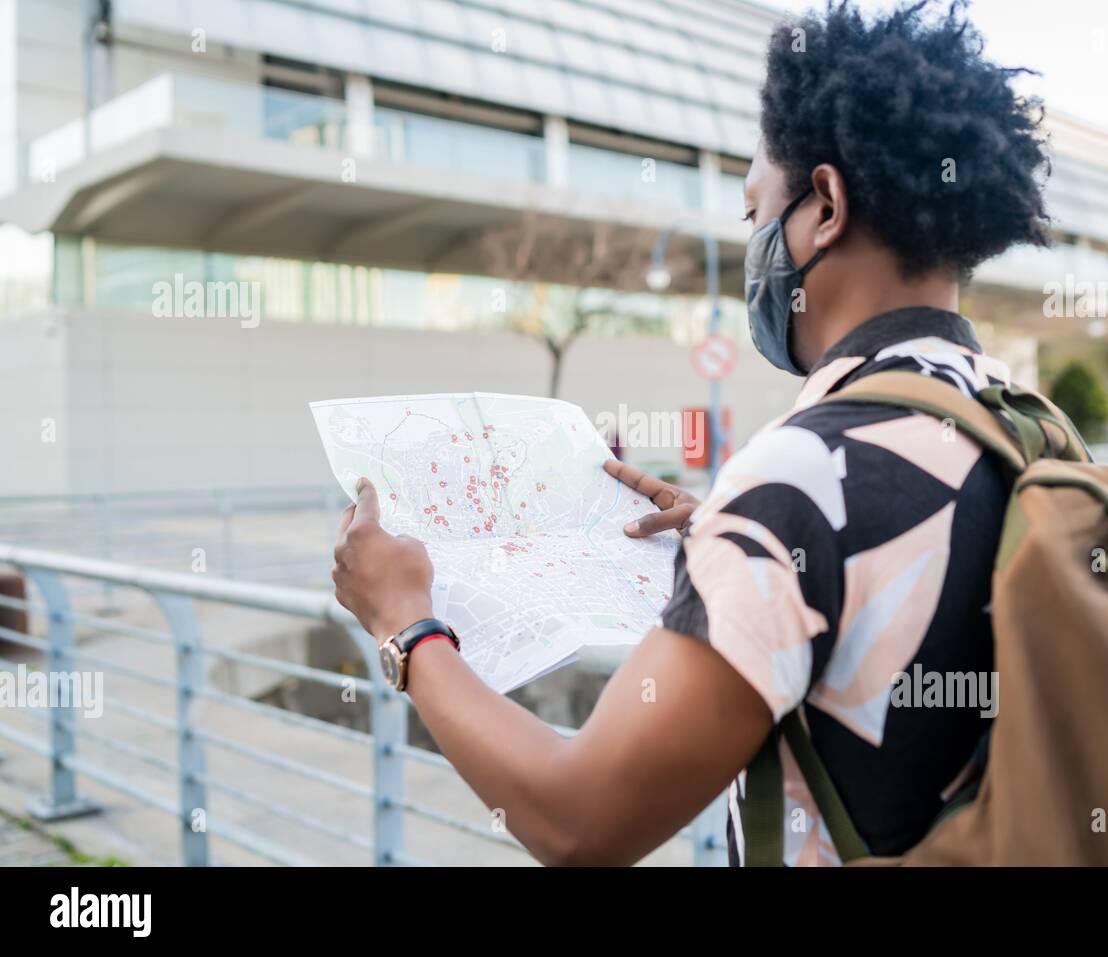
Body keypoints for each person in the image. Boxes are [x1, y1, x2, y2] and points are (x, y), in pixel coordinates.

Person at [332, 0, 1052, 866]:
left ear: (824, 205)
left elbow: (576, 822)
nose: (752, 246)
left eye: (755, 216)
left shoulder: (800, 480)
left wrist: (405, 624)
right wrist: (733, 534)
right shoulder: (1028, 428)